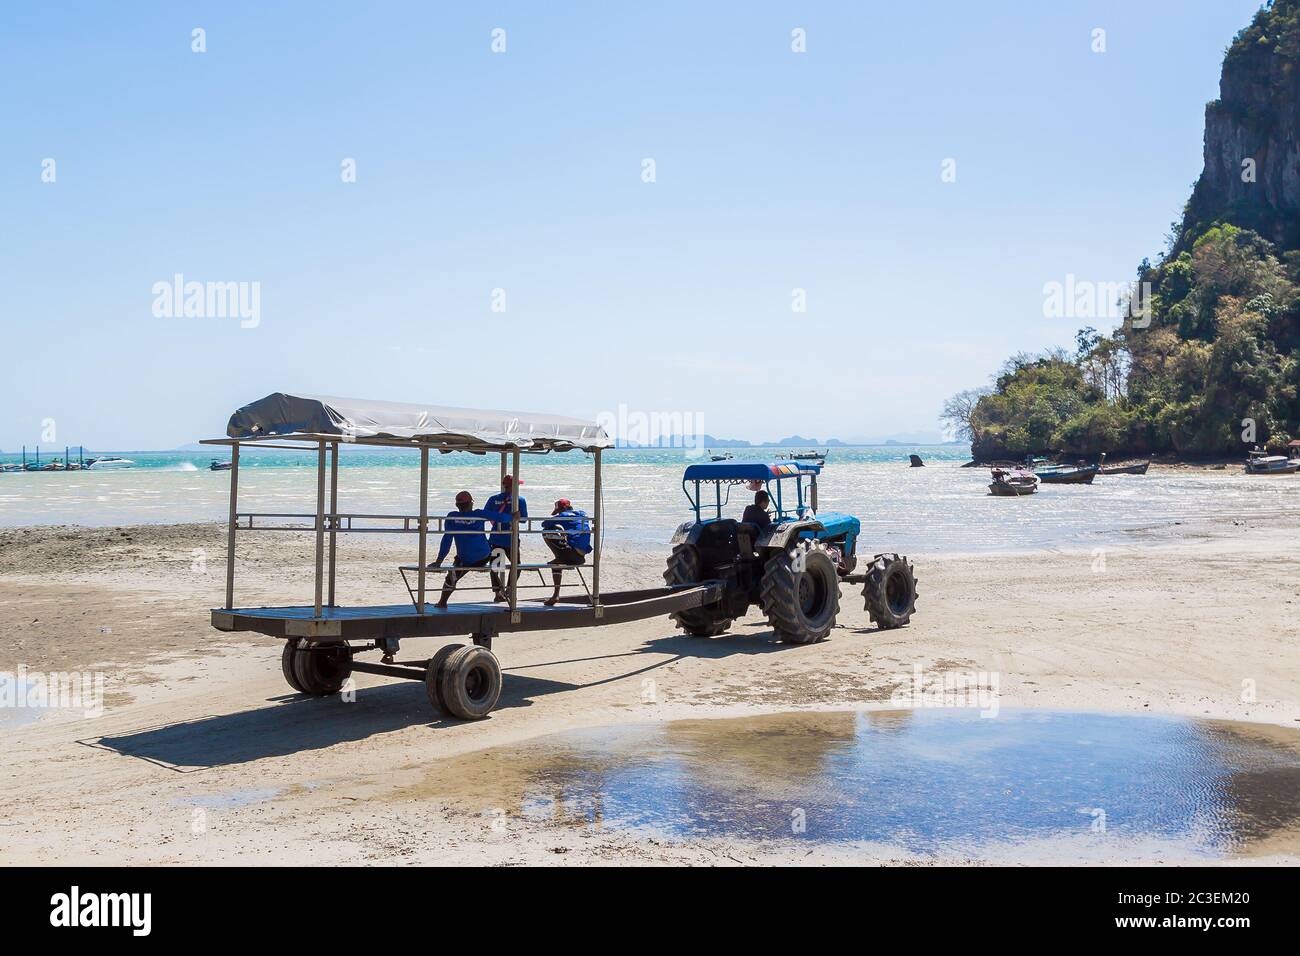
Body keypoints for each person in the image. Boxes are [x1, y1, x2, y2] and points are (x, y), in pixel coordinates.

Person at [430, 491, 509, 609]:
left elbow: (446, 541)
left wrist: (439, 561)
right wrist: (514, 516)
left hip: (464, 559)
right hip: (483, 557)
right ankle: (499, 592)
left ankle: (442, 602)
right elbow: (502, 517)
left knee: (451, 576)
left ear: (457, 505)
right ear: (471, 503)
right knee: (497, 552)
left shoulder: (452, 517)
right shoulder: (479, 514)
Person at [539, 498, 592, 606]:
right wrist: (564, 531)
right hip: (581, 555)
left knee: (546, 532)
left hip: (572, 554)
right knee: (557, 564)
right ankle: (555, 595)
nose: (558, 514)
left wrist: (558, 527)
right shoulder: (582, 513)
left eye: (558, 511)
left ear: (562, 509)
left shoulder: (563, 515)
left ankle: (560, 558)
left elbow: (545, 523)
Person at [485, 475, 527, 602]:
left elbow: (485, 514)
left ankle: (498, 593)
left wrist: (499, 516)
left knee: (496, 566)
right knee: (517, 566)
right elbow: (524, 520)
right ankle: (508, 590)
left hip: (496, 537)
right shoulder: (519, 500)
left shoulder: (493, 499)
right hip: (511, 538)